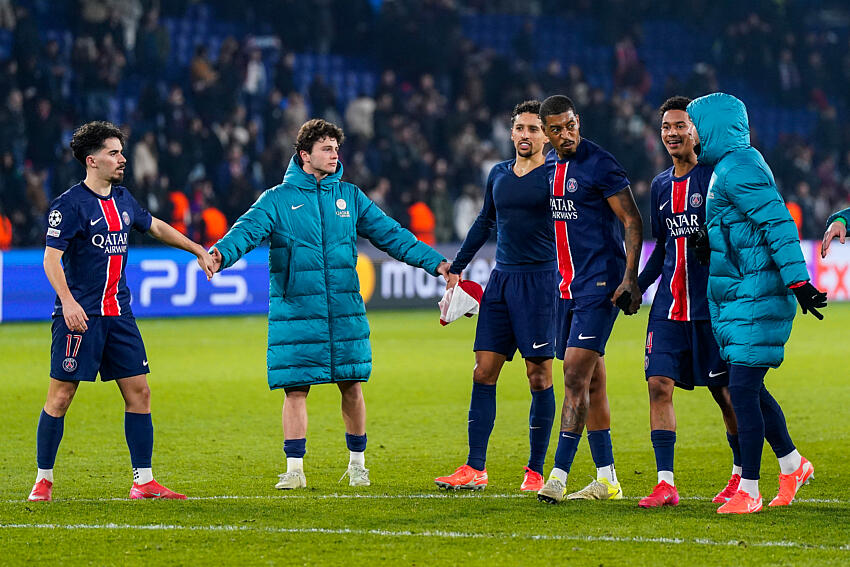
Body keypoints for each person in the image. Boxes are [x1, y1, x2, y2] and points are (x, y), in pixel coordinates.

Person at [209, 119, 449, 490]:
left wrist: (436, 262)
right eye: (326, 148)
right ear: (304, 155)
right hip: (297, 311)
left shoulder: (350, 197)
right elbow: (246, 231)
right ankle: (294, 470)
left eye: (336, 148)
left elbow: (393, 235)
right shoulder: (277, 199)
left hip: (343, 310)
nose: (334, 154)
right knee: (295, 388)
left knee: (352, 385)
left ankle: (357, 465)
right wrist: (219, 255)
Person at [28, 121, 215, 502]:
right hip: (80, 317)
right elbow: (50, 259)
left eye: (121, 152)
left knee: (140, 393)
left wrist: (197, 249)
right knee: (60, 397)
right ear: (91, 160)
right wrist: (68, 302)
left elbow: (156, 226)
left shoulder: (124, 199)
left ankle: (143, 481)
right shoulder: (69, 205)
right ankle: (43, 480)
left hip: (120, 315)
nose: (122, 159)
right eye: (113, 153)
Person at [686, 93, 826, 514]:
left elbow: (777, 222)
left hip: (756, 293)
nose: (690, 135)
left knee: (742, 390)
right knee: (749, 387)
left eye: (694, 126)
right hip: (741, 293)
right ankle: (793, 465)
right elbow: (742, 230)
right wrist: (710, 242)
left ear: (712, 127)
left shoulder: (738, 168)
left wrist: (799, 281)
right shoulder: (728, 167)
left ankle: (749, 489)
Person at [434, 101, 558, 493]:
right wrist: (458, 266)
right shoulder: (499, 174)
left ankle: (535, 470)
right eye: (520, 128)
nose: (525, 135)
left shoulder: (557, 175)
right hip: (501, 281)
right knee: (483, 371)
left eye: (533, 129)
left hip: (540, 283)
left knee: (538, 375)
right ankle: (475, 468)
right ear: (511, 132)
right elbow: (485, 220)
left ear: (547, 135)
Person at [535, 95, 644, 504]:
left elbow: (632, 219)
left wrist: (629, 278)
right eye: (556, 130)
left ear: (578, 121)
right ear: (546, 133)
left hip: (601, 285)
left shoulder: (601, 164)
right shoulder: (550, 165)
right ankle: (607, 479)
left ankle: (557, 476)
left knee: (574, 375)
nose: (566, 135)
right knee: (593, 380)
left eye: (570, 126)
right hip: (565, 287)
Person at [635, 96, 740, 508]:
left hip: (710, 308)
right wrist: (637, 286)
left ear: (696, 132)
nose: (672, 133)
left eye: (680, 125)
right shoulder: (660, 186)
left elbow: (735, 236)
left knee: (726, 394)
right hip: (668, 308)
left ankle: (740, 475)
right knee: (658, 385)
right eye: (666, 127)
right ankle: (665, 484)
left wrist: (711, 246)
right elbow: (662, 247)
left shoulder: (715, 177)